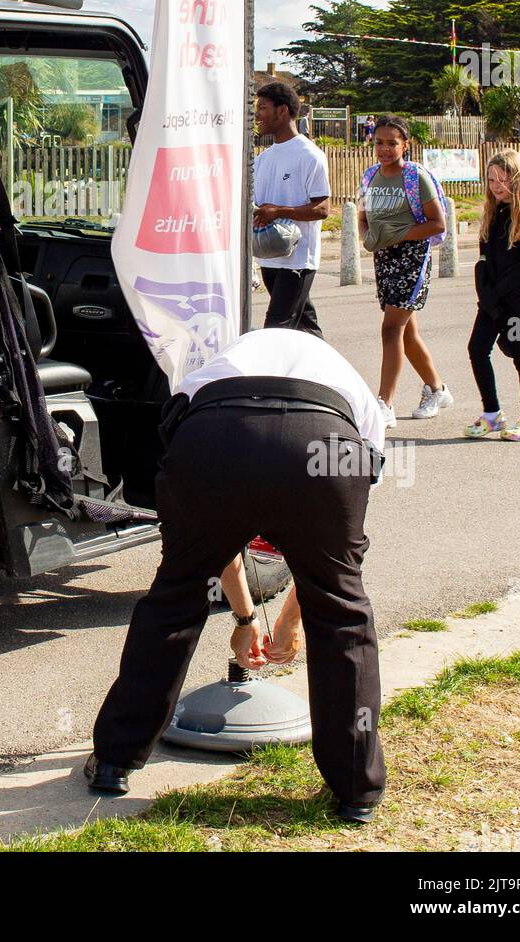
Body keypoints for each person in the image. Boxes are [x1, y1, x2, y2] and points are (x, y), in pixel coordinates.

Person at [86, 327, 387, 823]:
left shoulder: (215, 368)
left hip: (215, 437)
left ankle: (115, 762)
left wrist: (248, 618)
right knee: (344, 613)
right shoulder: (351, 383)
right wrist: (289, 619)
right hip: (325, 443)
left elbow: (214, 543)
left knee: (174, 597)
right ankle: (356, 787)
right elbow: (339, 564)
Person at [358, 116, 451, 428]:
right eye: (379, 143)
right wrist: (367, 235)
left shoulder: (415, 177)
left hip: (412, 257)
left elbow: (438, 223)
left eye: (392, 143)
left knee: (390, 329)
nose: (384, 149)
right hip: (384, 259)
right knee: (406, 331)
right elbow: (363, 216)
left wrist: (398, 234)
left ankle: (384, 403)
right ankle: (436, 389)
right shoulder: (370, 176)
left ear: (405, 145)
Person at [464, 150, 520, 442]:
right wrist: (485, 295)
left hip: (518, 304)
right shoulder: (492, 215)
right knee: (477, 349)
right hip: (492, 303)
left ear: (517, 179)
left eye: (503, 179)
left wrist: (499, 294)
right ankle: (492, 415)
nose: (496, 185)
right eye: (491, 180)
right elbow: (483, 261)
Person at [252, 82, 331, 335]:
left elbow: (322, 209)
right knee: (305, 327)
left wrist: (278, 211)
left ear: (282, 110)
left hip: (297, 260)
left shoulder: (309, 155)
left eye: (263, 108)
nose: (257, 115)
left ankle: (268, 374)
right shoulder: (262, 159)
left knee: (277, 328)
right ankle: (323, 372)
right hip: (269, 255)